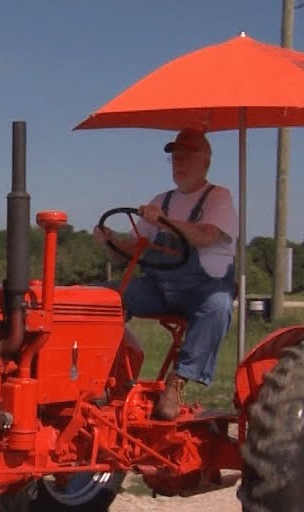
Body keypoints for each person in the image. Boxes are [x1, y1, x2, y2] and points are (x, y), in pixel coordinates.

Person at [93, 128, 239, 420]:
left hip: (202, 289)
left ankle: (178, 381)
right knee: (101, 298)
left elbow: (206, 236)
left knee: (218, 306)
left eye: (186, 157)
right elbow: (136, 245)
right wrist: (110, 239)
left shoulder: (217, 198)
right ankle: (108, 375)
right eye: (174, 158)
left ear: (206, 162)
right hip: (158, 287)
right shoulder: (162, 199)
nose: (178, 164)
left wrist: (165, 221)